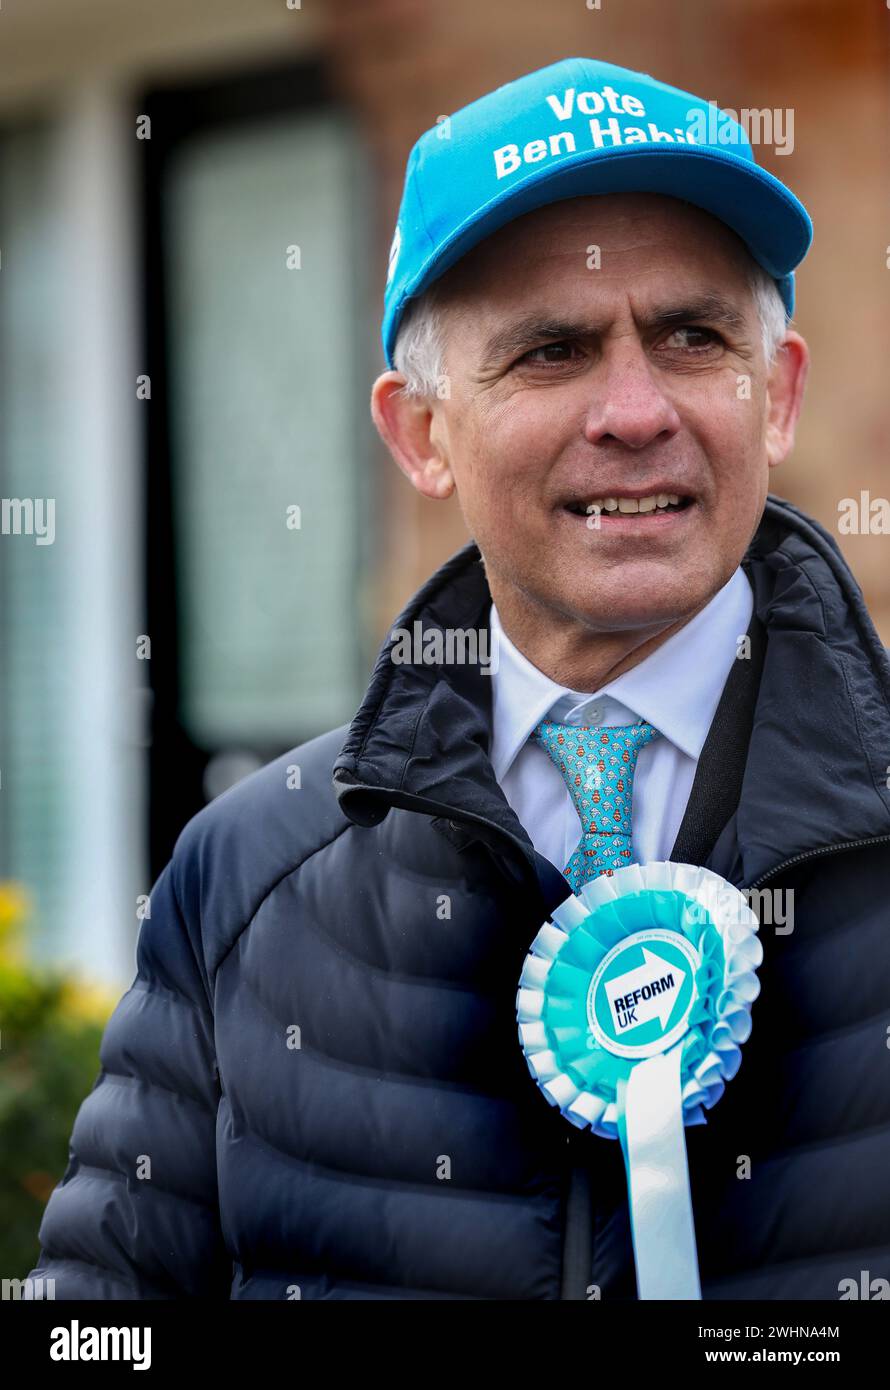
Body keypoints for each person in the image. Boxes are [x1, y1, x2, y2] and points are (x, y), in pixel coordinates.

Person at [28, 56, 890, 1301]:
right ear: (419, 433)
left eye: (692, 336)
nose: (635, 409)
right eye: (550, 351)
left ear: (778, 395)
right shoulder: (243, 878)